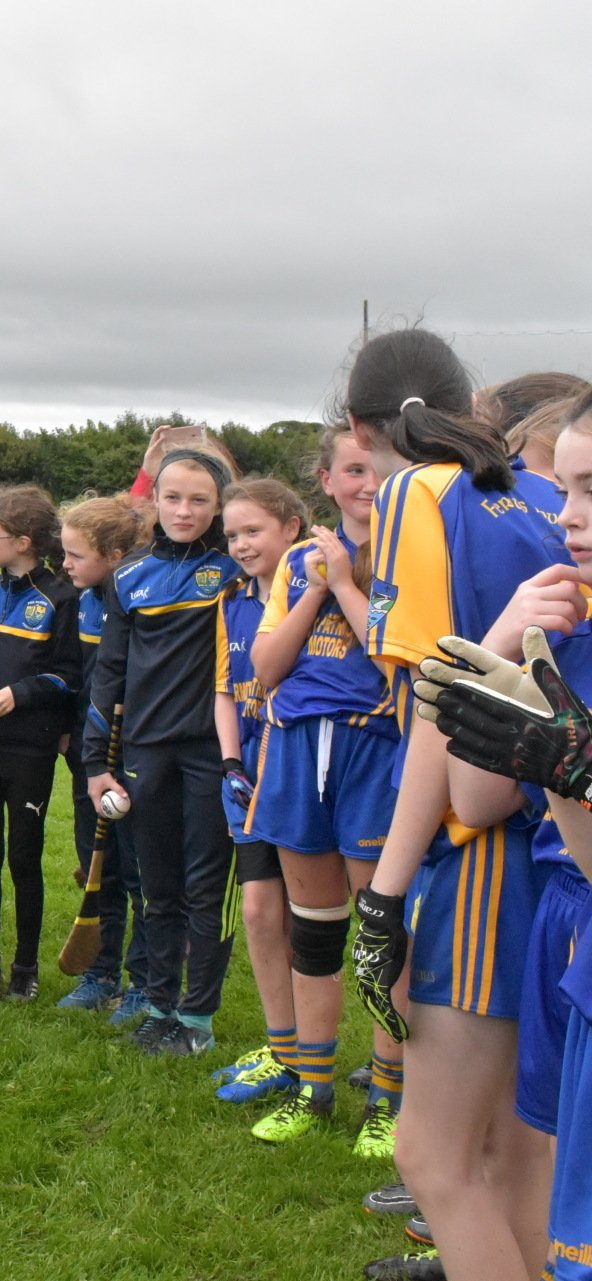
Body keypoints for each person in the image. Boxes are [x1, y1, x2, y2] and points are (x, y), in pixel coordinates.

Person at [350, 332, 571, 1281]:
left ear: (361, 429)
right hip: (560, 833)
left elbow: (440, 707)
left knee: (432, 1157)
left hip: (481, 849)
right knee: (519, 1153)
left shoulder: (417, 494)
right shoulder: (553, 494)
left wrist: (384, 895)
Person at [408, 392, 592, 1281]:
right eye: (565, 487)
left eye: (591, 489)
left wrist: (574, 774)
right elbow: (477, 792)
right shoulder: (569, 620)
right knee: (557, 1201)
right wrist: (498, 647)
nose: (570, 517)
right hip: (567, 916)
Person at [241, 431, 403, 1153]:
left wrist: (346, 584)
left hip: (376, 750)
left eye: (379, 468)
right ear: (327, 480)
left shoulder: (409, 554)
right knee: (315, 930)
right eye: (354, 470)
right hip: (299, 751)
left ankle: (390, 1098)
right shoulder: (298, 561)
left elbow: (399, 657)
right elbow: (267, 665)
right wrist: (314, 583)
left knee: (380, 936)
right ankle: (314, 1089)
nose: (368, 483)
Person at [83, 449, 239, 1056]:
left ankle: (197, 1018)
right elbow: (109, 674)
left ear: (218, 505)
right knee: (158, 887)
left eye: (200, 499)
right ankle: (158, 1000)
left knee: (206, 888)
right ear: (154, 501)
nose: (184, 510)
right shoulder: (127, 577)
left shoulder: (232, 569)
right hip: (146, 752)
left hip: (210, 751)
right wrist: (97, 763)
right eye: (173, 497)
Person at [0, 484, 80, 1003]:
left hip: (29, 750)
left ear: (24, 541)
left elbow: (71, 675)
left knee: (23, 859)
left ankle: (26, 965)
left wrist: (23, 693)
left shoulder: (62, 597)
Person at [205, 478, 303, 1107]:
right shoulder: (232, 599)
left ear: (291, 528)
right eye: (233, 534)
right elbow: (222, 690)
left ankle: (390, 1072)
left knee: (334, 919)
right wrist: (231, 761)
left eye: (252, 531)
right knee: (262, 913)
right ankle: (284, 1047)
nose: (240, 545)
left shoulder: (314, 596)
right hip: (248, 779)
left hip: (303, 773)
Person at [53, 497, 150, 1019]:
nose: (64, 564)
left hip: (138, 756)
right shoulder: (84, 599)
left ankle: (145, 979)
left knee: (139, 875)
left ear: (115, 555)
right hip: (90, 759)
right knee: (99, 868)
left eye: (74, 554)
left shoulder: (138, 599)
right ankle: (101, 972)